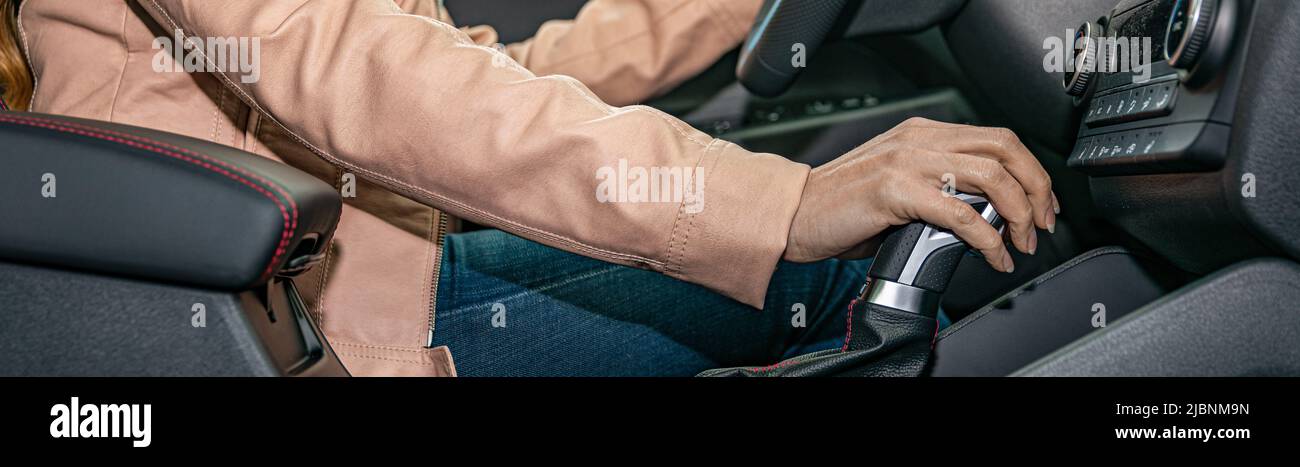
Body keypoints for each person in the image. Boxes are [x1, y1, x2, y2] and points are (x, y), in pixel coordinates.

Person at [0, 0, 1057, 376]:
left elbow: (467, 68)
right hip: (284, 330)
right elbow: (358, 72)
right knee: (816, 275)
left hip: (364, 282)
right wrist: (769, 205)